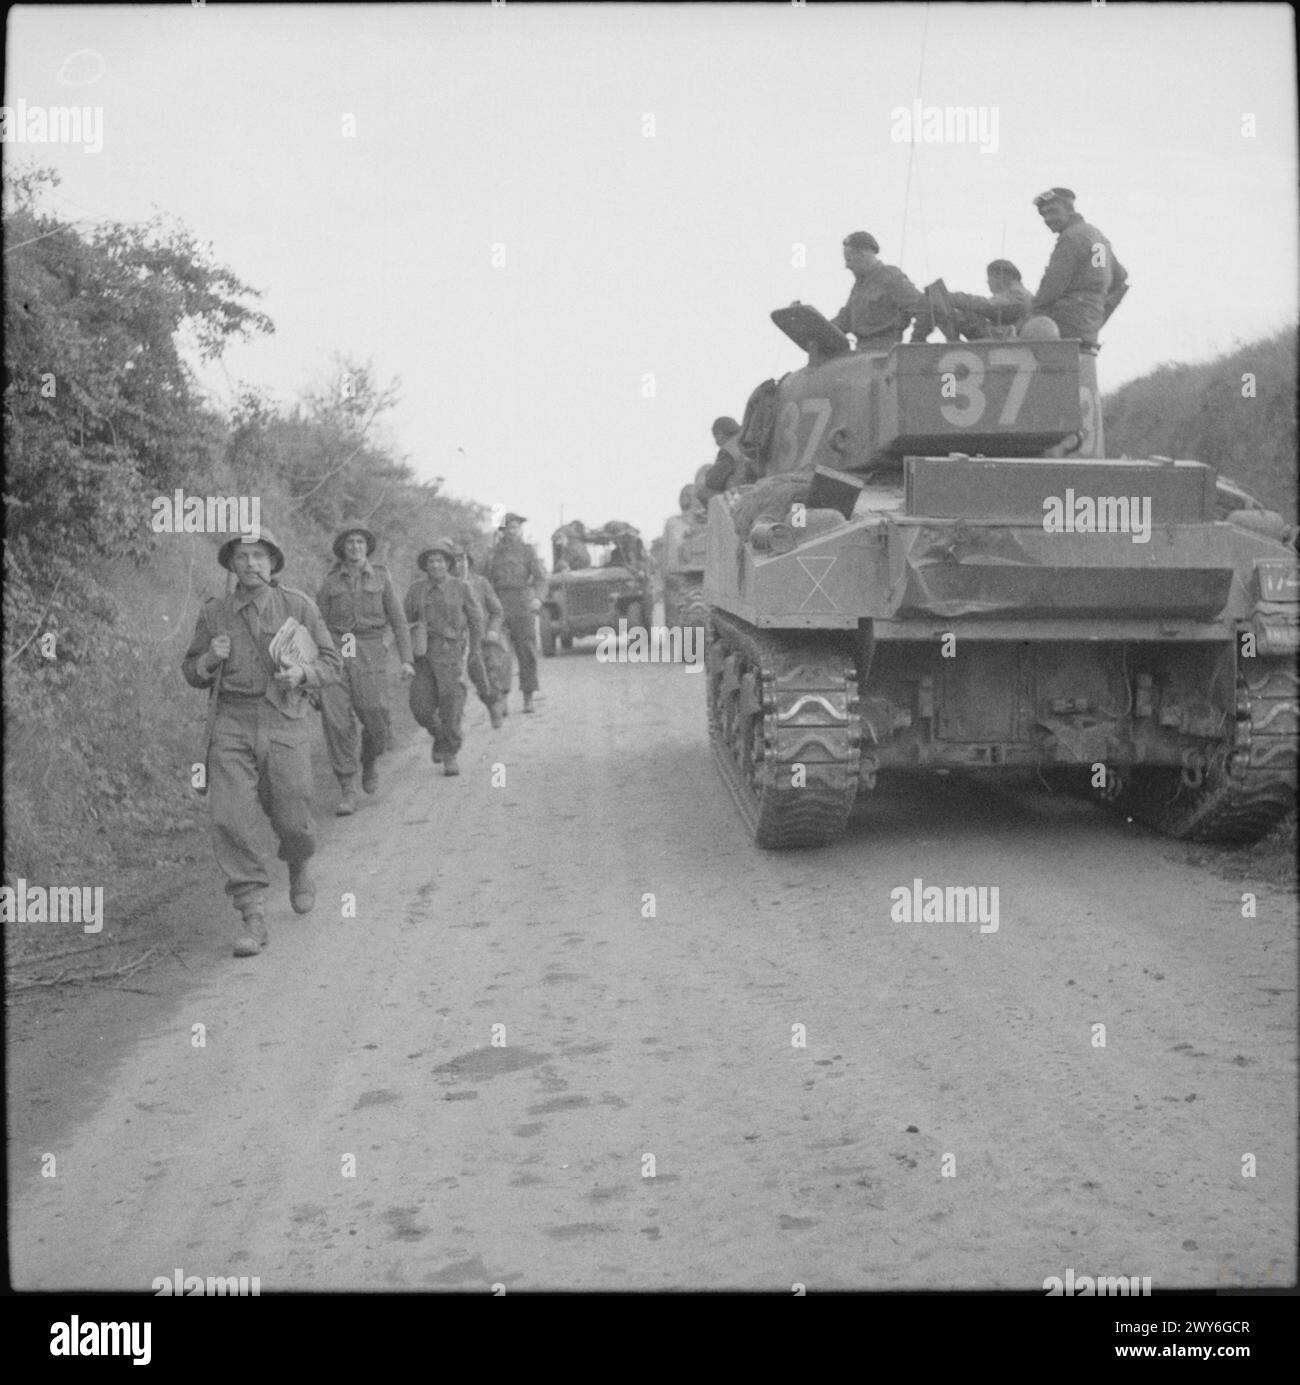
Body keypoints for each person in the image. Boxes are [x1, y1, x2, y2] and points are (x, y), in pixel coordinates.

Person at [182, 529, 341, 958]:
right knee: (228, 817)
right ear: (231, 564)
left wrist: (302, 676)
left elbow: (331, 663)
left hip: (284, 718)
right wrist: (211, 657)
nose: (250, 564)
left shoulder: (298, 605)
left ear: (272, 563)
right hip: (231, 721)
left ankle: (299, 862)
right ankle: (252, 911)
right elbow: (192, 672)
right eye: (242, 556)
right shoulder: (215, 612)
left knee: (293, 814)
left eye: (258, 556)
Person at [315, 522, 414, 815]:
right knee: (337, 720)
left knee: (376, 717)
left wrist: (406, 660)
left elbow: (398, 621)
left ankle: (369, 760)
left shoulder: (382, 578)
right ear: (342, 549)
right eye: (349, 543)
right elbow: (318, 622)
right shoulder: (330, 582)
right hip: (339, 648)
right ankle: (347, 787)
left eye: (360, 542)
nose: (355, 547)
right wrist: (317, 662)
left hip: (370, 651)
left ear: (366, 547)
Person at [405, 539, 484, 776]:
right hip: (422, 655)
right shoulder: (415, 589)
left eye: (440, 560)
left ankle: (450, 754)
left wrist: (475, 650)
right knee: (420, 707)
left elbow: (476, 620)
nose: (436, 565)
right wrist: (405, 653)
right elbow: (404, 621)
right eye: (431, 561)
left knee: (451, 705)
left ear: (448, 564)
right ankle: (438, 734)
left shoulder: (461, 588)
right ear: (425, 565)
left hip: (450, 654)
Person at [1031, 187, 1129, 351]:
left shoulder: (1071, 237)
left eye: (1053, 211)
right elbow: (1120, 276)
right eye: (1043, 215)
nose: (1048, 218)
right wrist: (1095, 299)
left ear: (1069, 209)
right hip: (1090, 321)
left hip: (1066, 320)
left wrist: (1031, 311)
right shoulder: (1097, 237)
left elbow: (1053, 284)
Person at [487, 512, 546, 714]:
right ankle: (502, 696)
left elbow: (540, 578)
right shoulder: (492, 553)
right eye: (508, 528)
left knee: (527, 652)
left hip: (522, 604)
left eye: (515, 528)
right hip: (499, 606)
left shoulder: (528, 551)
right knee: (500, 654)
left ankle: (528, 696)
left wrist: (538, 598)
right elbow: (484, 581)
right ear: (501, 531)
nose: (512, 532)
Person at [830, 230, 927, 350]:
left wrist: (915, 344)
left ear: (862, 255)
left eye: (849, 259)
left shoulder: (890, 277)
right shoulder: (860, 286)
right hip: (861, 355)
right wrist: (819, 330)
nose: (847, 266)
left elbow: (924, 308)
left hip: (884, 355)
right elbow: (845, 319)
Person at [455, 544, 510, 729]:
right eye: (454, 560)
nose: (459, 565)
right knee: (472, 677)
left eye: (462, 559)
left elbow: (496, 611)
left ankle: (495, 703)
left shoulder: (481, 583)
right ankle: (490, 703)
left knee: (491, 671)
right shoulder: (446, 586)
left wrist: (493, 630)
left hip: (483, 636)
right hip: (457, 640)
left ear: (468, 562)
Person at [911, 260, 1034, 342]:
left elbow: (990, 306)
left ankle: (916, 343)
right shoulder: (1015, 294)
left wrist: (952, 298)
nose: (988, 282)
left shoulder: (1020, 294)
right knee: (942, 309)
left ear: (1000, 276)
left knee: (942, 308)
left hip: (1003, 342)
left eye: (989, 278)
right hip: (1001, 339)